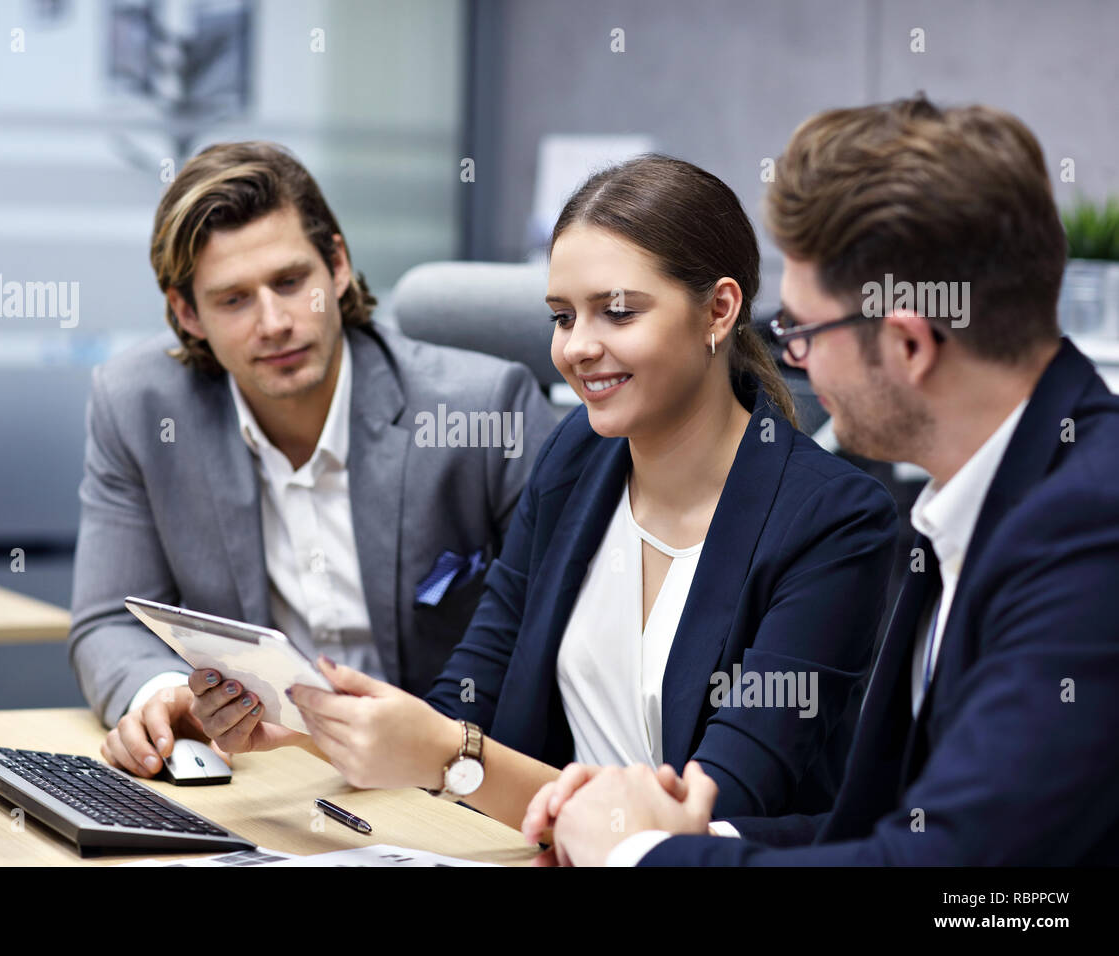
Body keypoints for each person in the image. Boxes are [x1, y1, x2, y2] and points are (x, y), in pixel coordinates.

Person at [190, 155, 899, 830]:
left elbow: (708, 814)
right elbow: (470, 702)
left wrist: (446, 755)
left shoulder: (833, 521)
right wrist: (303, 734)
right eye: (563, 317)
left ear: (718, 312)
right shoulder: (576, 457)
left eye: (616, 313)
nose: (576, 347)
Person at [533, 95, 1119, 866]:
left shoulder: (1087, 532)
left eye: (803, 331)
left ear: (909, 344)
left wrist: (638, 853)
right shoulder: (981, 500)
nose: (793, 362)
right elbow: (893, 829)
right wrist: (702, 838)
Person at [68, 141, 558, 777]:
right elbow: (108, 620)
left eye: (291, 282)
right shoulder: (139, 408)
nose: (273, 322)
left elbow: (557, 640)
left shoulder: (483, 410)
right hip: (269, 784)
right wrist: (162, 695)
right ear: (187, 314)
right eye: (233, 299)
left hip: (451, 780)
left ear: (338, 266)